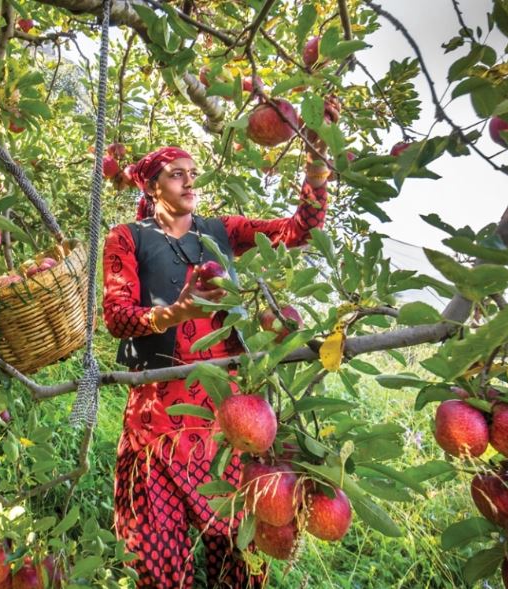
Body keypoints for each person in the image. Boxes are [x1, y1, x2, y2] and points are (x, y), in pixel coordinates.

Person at [102, 119, 334, 588]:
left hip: (225, 415)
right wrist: (170, 314)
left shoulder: (220, 231)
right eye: (175, 172)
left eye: (193, 171)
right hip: (157, 412)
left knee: (237, 541)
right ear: (151, 184)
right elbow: (116, 315)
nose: (189, 180)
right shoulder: (127, 237)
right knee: (156, 549)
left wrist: (315, 173)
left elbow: (296, 232)